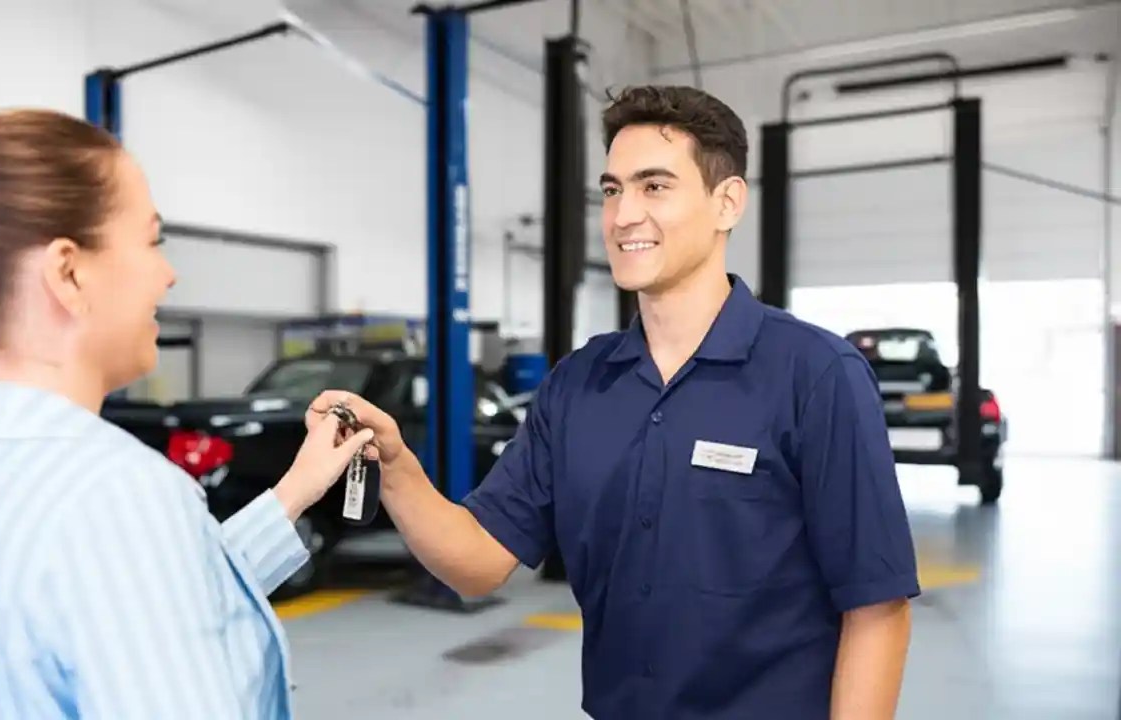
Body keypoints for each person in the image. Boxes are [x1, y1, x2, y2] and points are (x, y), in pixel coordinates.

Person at [308, 85, 919, 719]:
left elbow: (876, 606)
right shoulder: (578, 384)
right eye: (611, 190)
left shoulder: (815, 374)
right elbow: (477, 564)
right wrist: (397, 466)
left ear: (726, 202)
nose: (624, 214)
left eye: (654, 186)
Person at [0, 109, 373, 719]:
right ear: (68, 272)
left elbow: (130, 596)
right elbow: (121, 563)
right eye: (152, 241)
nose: (167, 274)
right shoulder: (118, 497)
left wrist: (295, 491)